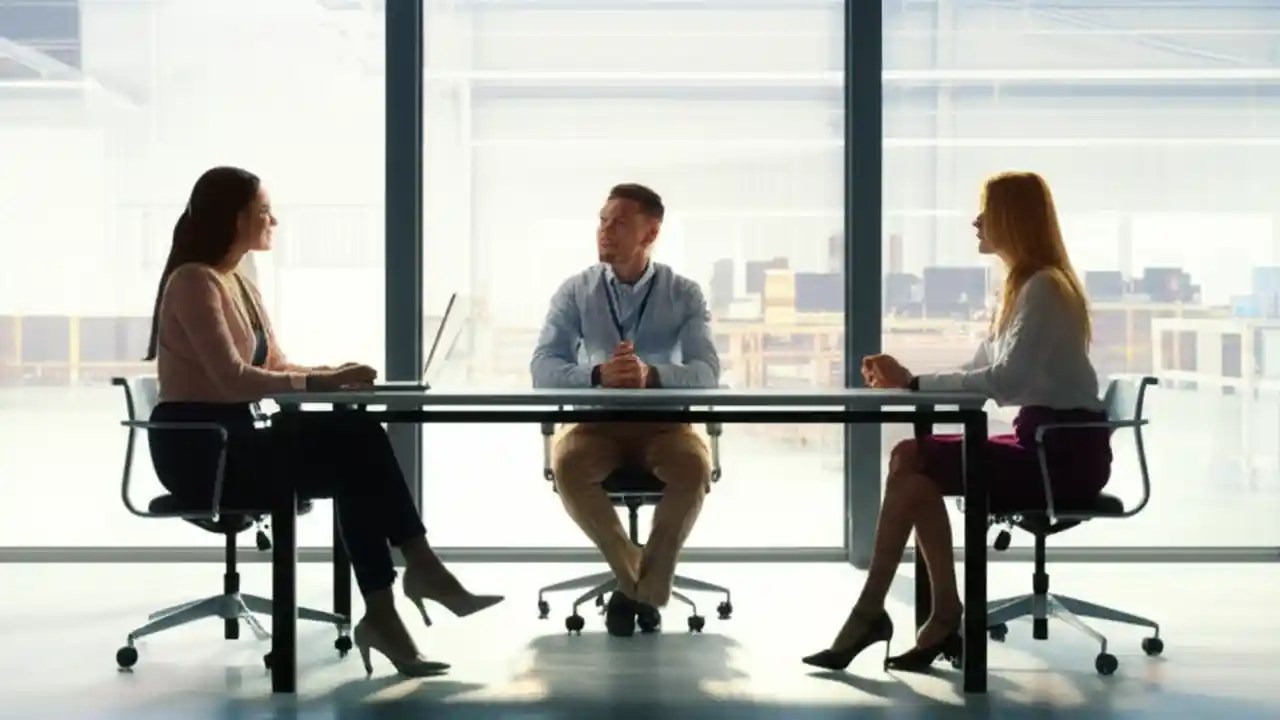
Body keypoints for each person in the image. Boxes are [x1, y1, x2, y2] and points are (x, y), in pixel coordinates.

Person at [144, 166, 502, 677]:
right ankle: (416, 575)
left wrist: (330, 374)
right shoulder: (193, 282)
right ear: (235, 216)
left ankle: (389, 607)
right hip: (202, 450)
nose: (274, 220)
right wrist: (318, 385)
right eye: (264, 210)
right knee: (355, 445)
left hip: (241, 438)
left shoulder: (239, 281)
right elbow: (230, 380)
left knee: (355, 445)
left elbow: (273, 366)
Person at [802, 171, 1113, 673]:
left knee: (911, 458)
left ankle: (885, 613)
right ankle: (932, 613)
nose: (976, 221)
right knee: (912, 469)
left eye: (986, 211)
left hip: (1061, 453)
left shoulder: (1045, 290)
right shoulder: (1021, 289)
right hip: (1040, 440)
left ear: (1012, 219)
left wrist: (914, 384)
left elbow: (1005, 382)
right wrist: (909, 380)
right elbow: (978, 370)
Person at [531, 183, 720, 637]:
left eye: (619, 222)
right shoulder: (575, 291)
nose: (605, 231)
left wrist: (651, 376)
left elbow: (707, 371)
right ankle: (642, 581)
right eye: (602, 220)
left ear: (650, 233)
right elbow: (543, 366)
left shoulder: (684, 293)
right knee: (569, 464)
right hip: (594, 423)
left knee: (694, 466)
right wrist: (597, 375)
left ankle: (633, 587)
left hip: (665, 426)